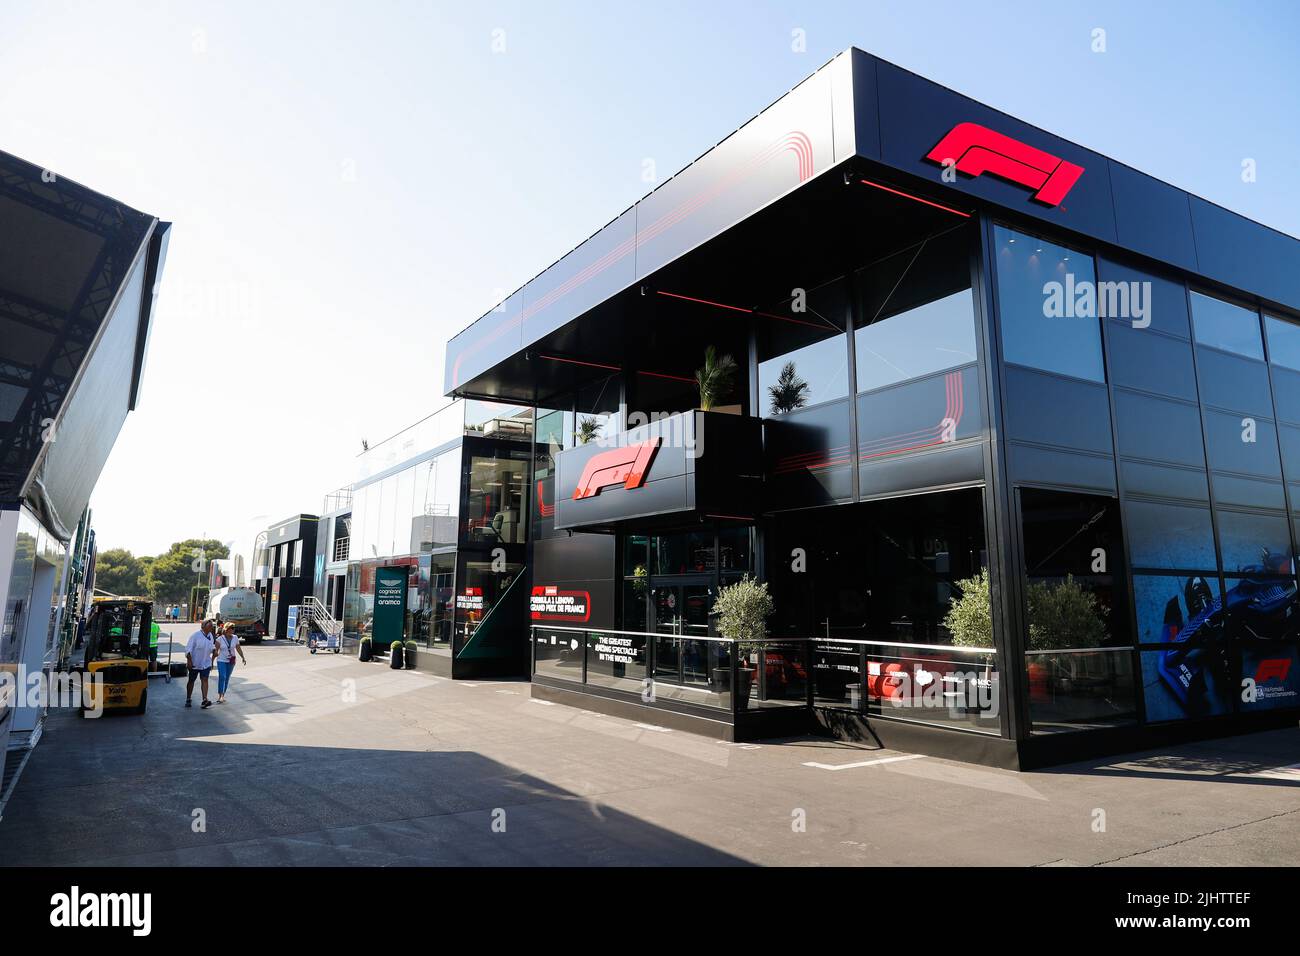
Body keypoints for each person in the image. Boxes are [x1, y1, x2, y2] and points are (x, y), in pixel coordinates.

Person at [184, 620, 216, 709]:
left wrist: (214, 651)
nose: (211, 628)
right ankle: (188, 698)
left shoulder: (210, 636)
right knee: (191, 680)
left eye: (212, 626)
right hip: (195, 663)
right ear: (203, 627)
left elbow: (212, 646)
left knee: (205, 679)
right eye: (210, 626)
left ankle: (204, 699)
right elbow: (188, 649)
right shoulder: (195, 636)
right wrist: (189, 661)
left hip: (206, 663)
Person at [214, 623, 247, 703]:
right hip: (221, 660)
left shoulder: (235, 638)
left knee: (227, 678)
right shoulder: (220, 639)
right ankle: (220, 695)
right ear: (226, 629)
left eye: (233, 628)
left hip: (231, 661)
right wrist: (211, 662)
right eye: (231, 628)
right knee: (222, 676)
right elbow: (215, 651)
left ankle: (223, 694)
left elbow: (238, 648)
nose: (233, 629)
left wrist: (243, 657)